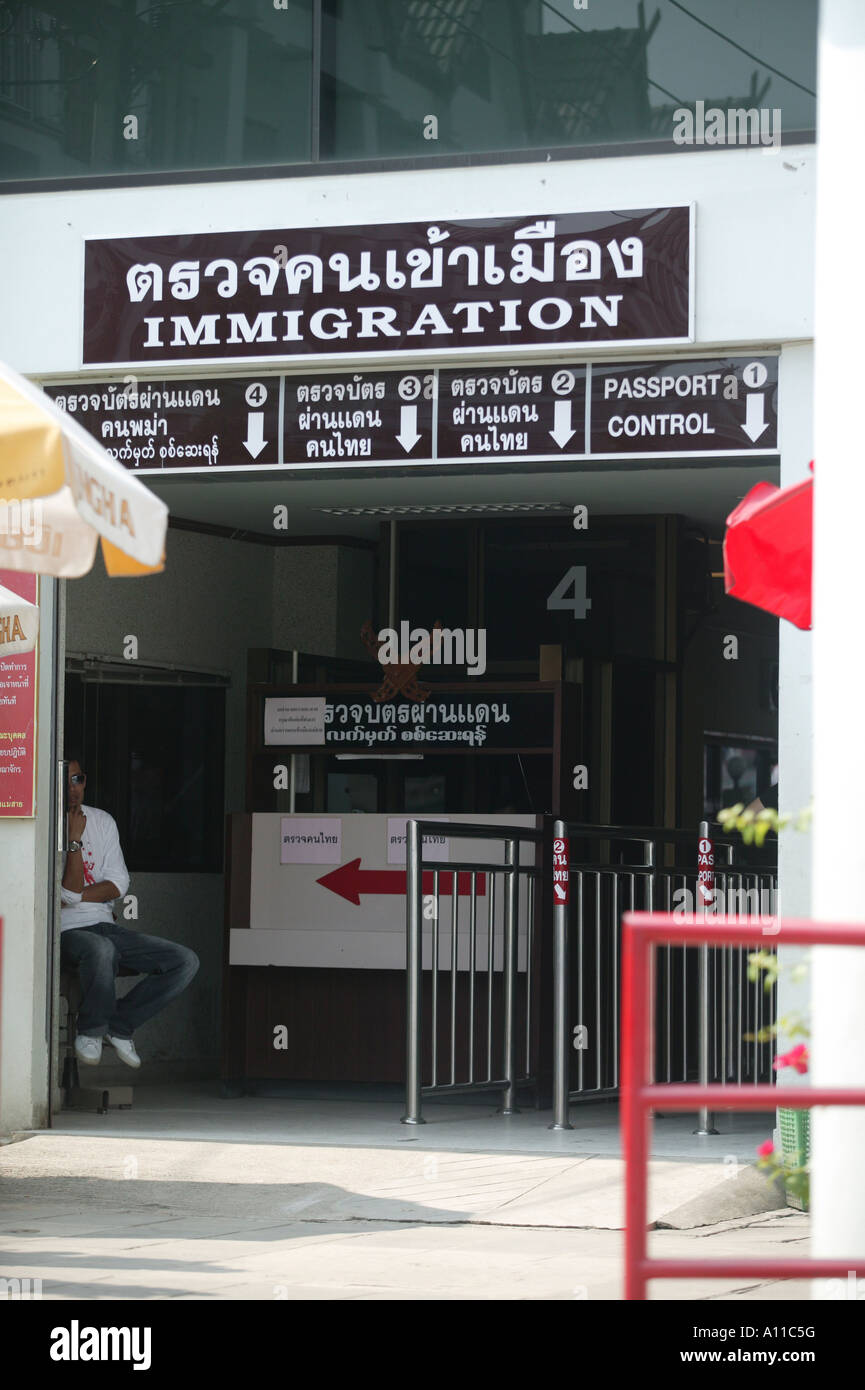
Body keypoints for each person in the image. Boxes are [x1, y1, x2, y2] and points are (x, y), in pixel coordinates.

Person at [60, 755, 200, 1069]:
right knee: (101, 949)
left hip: (105, 924)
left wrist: (74, 897)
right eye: (66, 779)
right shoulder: (45, 825)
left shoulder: (102, 820)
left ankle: (119, 1024)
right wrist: (73, 839)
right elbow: (63, 897)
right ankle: (92, 1028)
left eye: (78, 779)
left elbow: (119, 884)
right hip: (63, 932)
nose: (74, 788)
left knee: (184, 961)